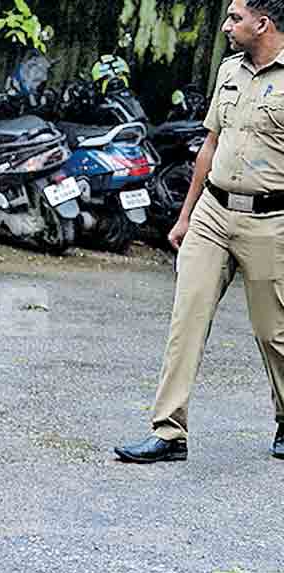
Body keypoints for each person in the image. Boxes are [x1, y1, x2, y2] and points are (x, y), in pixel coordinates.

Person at [115, 0, 284, 463]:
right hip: (212, 211)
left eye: (235, 18)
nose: (227, 26)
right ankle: (168, 432)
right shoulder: (229, 71)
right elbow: (210, 145)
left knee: (273, 331)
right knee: (186, 320)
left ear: (262, 24)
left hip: (270, 220)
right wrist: (186, 215)